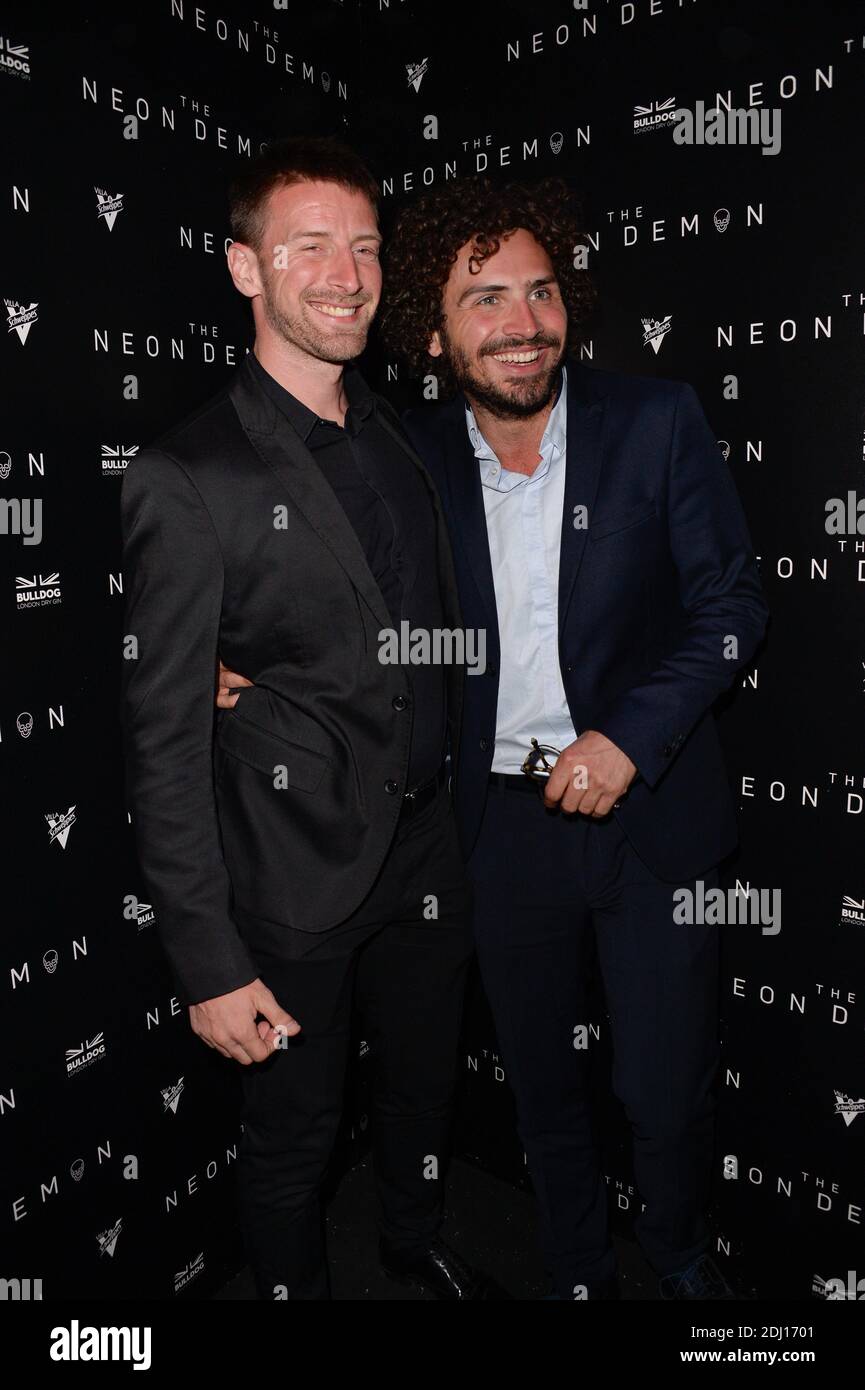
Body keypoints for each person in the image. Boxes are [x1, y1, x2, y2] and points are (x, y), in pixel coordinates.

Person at [217, 173, 770, 1300]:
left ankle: (676, 1258)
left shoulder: (654, 421)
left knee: (663, 1090)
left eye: (540, 291)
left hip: (654, 820)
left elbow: (732, 607)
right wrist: (251, 662)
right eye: (484, 300)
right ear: (431, 329)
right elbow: (346, 602)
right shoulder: (406, 458)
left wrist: (626, 737)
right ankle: (573, 1271)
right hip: (498, 838)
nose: (522, 325)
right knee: (541, 1089)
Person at [120, 136, 503, 1301]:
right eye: (308, 247)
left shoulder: (394, 435)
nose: (345, 273)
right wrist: (208, 962)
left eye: (364, 246)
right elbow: (164, 739)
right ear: (247, 269)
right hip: (295, 873)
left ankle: (410, 1237)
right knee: (292, 1133)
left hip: (429, 845)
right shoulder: (189, 475)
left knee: (420, 1085)